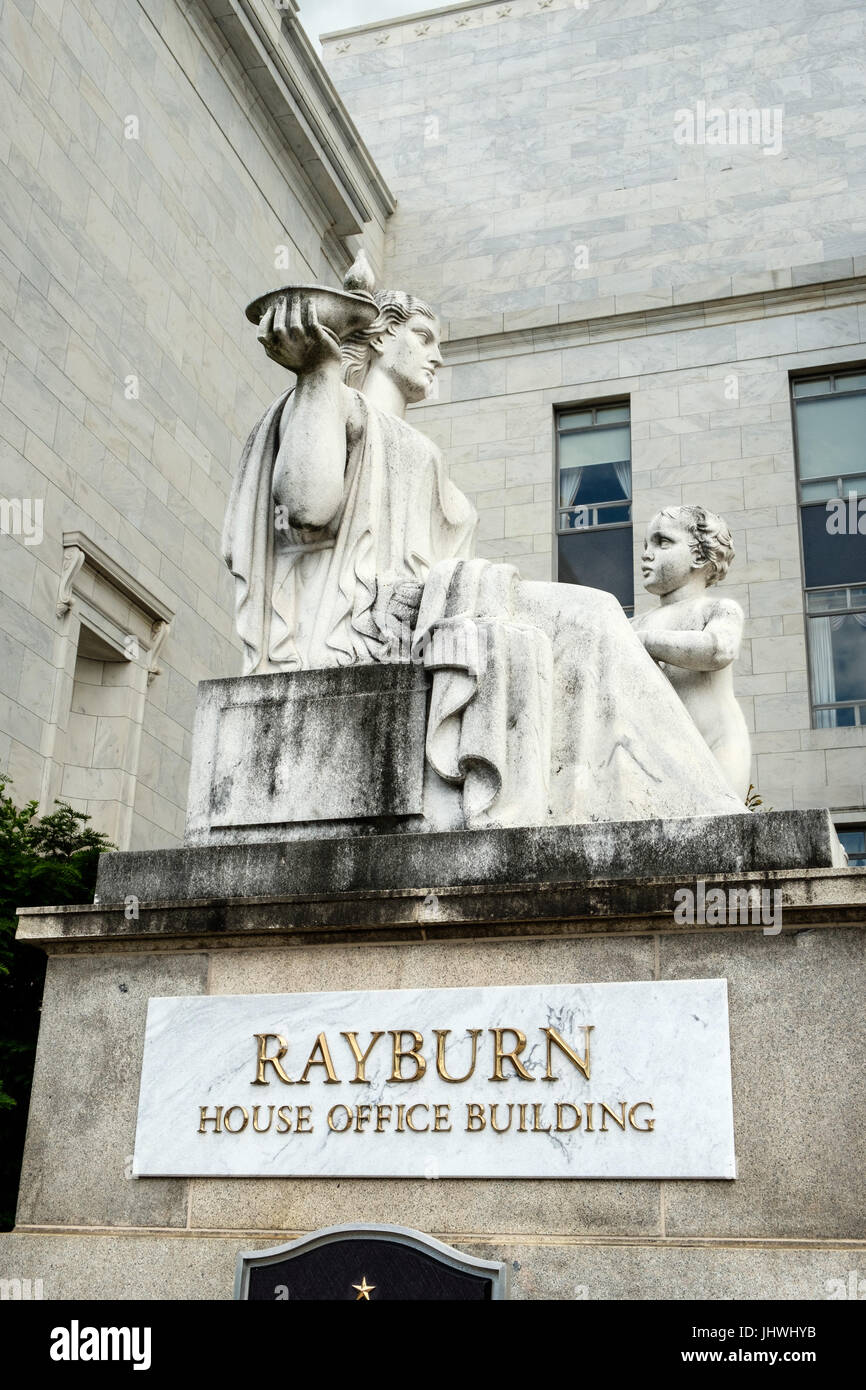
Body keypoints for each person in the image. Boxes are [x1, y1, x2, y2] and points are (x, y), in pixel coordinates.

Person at [223, 278, 747, 828]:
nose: (438, 356)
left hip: (434, 613)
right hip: (371, 626)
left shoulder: (421, 450)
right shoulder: (339, 407)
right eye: (423, 337)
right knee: (592, 615)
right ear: (378, 339)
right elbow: (305, 508)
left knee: (592, 616)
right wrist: (319, 373)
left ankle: (639, 805)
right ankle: (677, 809)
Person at [632, 507, 751, 798]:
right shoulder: (634, 624)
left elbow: (719, 649)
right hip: (660, 756)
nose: (647, 554)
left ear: (698, 556)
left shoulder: (718, 609)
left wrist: (644, 641)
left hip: (717, 745)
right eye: (646, 545)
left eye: (662, 542)